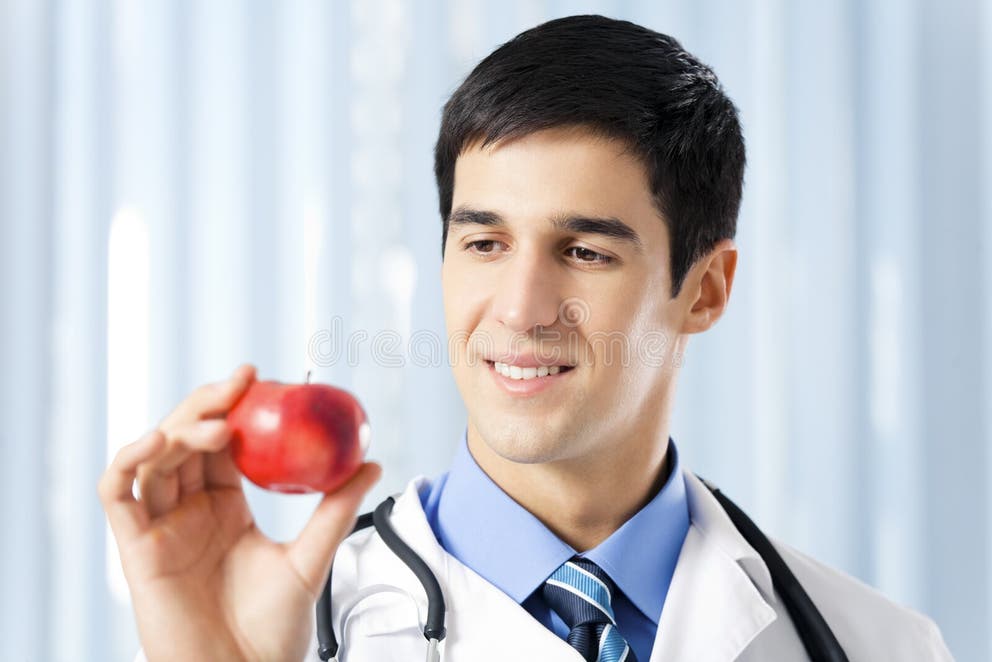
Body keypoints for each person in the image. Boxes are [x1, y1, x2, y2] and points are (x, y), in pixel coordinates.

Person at [100, 14, 953, 662]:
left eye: (583, 251)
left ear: (707, 289)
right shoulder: (292, 626)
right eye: (484, 242)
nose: (519, 307)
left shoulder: (878, 643)